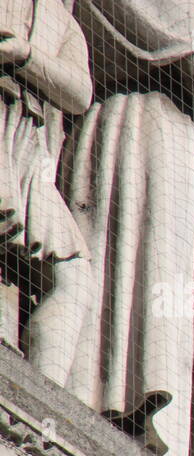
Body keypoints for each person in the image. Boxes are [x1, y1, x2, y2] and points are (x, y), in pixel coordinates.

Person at [50, 0, 194, 456]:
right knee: (155, 279)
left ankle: (117, 400)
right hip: (150, 133)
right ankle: (137, 409)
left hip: (109, 135)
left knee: (134, 275)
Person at [0, 0, 92, 371]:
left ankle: (42, 406)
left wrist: (26, 56)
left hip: (26, 143)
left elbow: (80, 94)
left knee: (73, 275)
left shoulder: (63, 20)